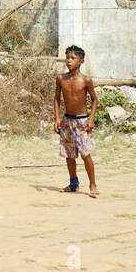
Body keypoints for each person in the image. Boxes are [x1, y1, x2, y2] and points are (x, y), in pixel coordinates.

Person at [54, 45, 99, 197]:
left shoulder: (86, 80)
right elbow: (56, 99)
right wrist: (57, 118)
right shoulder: (61, 79)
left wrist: (91, 119)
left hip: (82, 122)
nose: (69, 61)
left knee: (86, 154)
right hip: (67, 122)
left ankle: (92, 184)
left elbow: (94, 100)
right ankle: (74, 184)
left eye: (73, 58)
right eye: (67, 58)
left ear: (81, 61)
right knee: (69, 154)